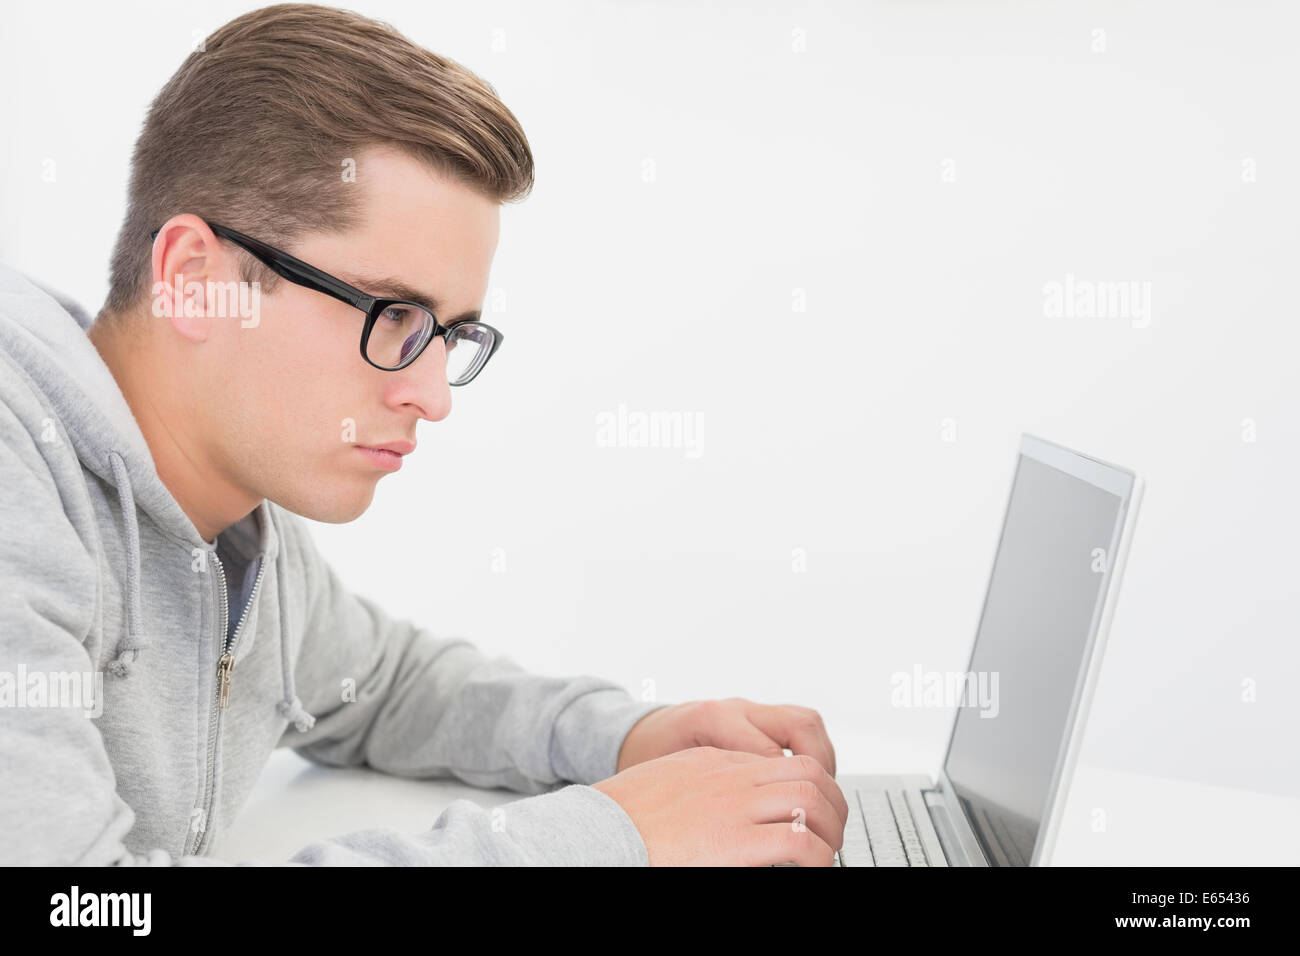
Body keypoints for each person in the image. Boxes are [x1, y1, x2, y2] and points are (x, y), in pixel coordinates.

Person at [0, 3, 846, 866]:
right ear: (194, 278)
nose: (434, 395)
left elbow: (388, 687)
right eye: (394, 314)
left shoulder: (245, 540)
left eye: (450, 333)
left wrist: (632, 737)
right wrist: (611, 837)